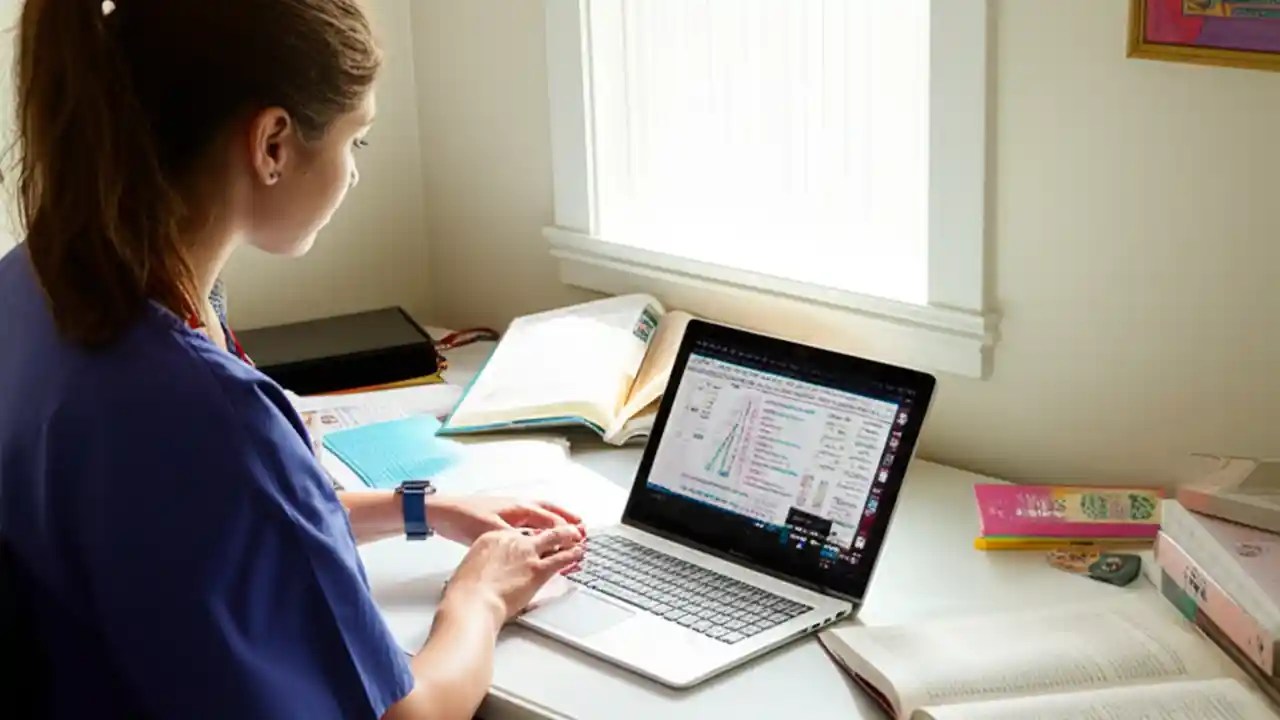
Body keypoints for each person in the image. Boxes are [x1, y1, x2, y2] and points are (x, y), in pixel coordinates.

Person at [0, 1, 587, 718]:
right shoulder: (210, 409)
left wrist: (425, 509)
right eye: (356, 143)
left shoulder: (30, 289)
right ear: (273, 142)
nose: (354, 175)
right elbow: (410, 716)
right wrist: (481, 596)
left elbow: (214, 519)